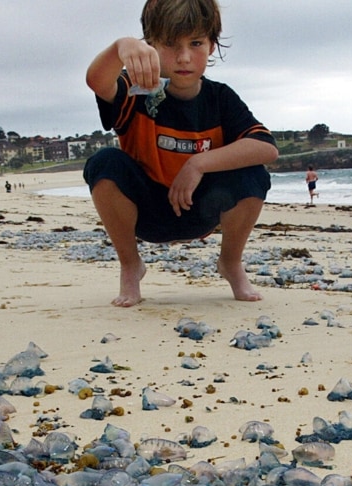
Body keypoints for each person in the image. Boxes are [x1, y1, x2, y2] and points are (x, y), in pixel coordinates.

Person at [83, 0, 279, 307]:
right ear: (150, 45)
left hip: (201, 209)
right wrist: (121, 47)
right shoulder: (137, 89)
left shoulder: (220, 98)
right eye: (171, 44)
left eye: (196, 43)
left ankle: (230, 263)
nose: (184, 57)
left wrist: (197, 164)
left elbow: (265, 147)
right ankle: (131, 265)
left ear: (212, 45)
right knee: (103, 162)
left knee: (253, 173)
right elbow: (97, 81)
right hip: (145, 212)